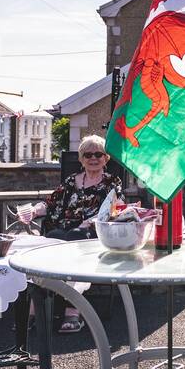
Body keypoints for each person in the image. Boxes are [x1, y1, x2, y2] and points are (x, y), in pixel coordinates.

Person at [40, 134, 123, 332]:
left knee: (74, 239)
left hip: (92, 233)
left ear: (106, 158)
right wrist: (33, 210)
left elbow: (116, 209)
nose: (93, 158)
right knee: (51, 240)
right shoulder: (70, 181)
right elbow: (51, 203)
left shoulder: (112, 182)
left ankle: (72, 310)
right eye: (88, 154)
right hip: (64, 229)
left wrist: (93, 221)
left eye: (98, 154)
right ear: (81, 159)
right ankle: (39, 308)